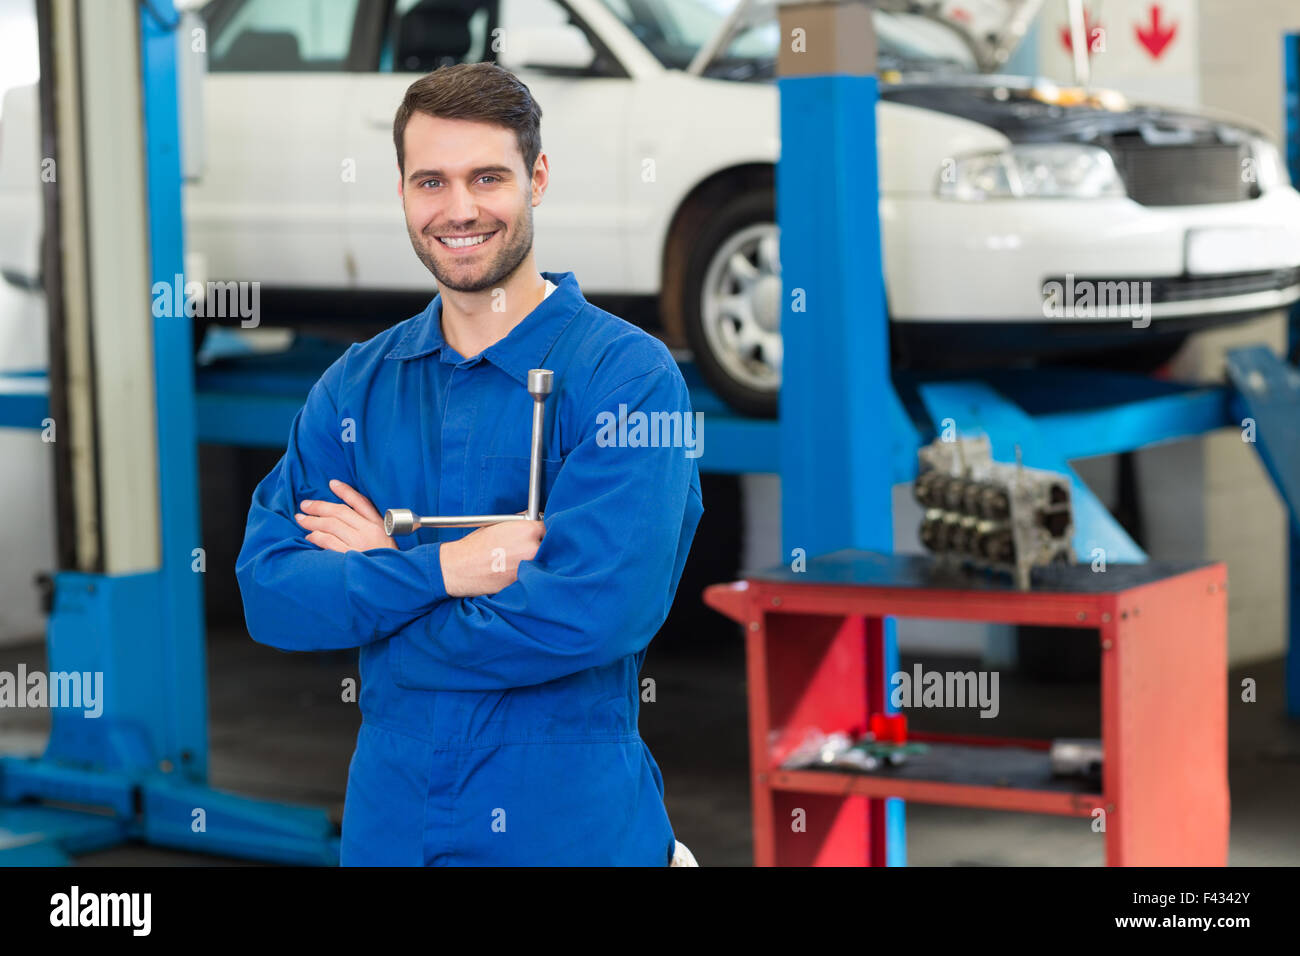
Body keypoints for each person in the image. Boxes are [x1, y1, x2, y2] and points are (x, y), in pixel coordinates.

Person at [235, 62, 703, 866]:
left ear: (538, 178)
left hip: (567, 827)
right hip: (394, 824)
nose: (458, 210)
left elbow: (595, 612)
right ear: (403, 192)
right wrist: (447, 569)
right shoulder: (356, 389)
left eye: (488, 177)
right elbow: (272, 596)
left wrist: (378, 610)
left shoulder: (628, 378)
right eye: (431, 182)